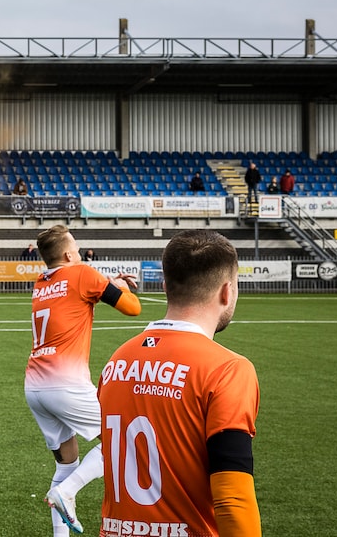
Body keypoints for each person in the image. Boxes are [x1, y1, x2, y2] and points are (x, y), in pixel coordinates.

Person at [97, 230, 260, 537]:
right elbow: (233, 499)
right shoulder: (228, 369)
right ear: (227, 291)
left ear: (165, 287)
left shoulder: (117, 361)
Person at [33, 225, 142, 536]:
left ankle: (61, 525)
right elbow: (133, 309)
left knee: (65, 466)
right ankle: (68, 492)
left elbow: (74, 290)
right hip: (65, 385)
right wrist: (120, 288)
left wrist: (109, 283)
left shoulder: (41, 282)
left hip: (35, 387)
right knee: (119, 442)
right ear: (69, 254)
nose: (79, 254)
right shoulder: (82, 273)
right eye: (77, 250)